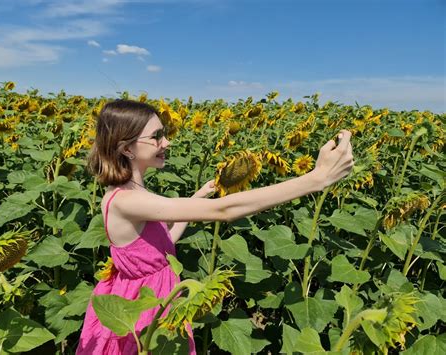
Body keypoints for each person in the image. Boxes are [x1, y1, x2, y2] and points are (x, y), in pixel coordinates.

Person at [76, 100, 354, 354]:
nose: (167, 142)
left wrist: (196, 198)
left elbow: (161, 248)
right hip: (140, 310)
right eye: (156, 136)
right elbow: (224, 210)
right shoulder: (127, 200)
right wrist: (317, 179)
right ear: (127, 148)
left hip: (157, 297)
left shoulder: (134, 191)